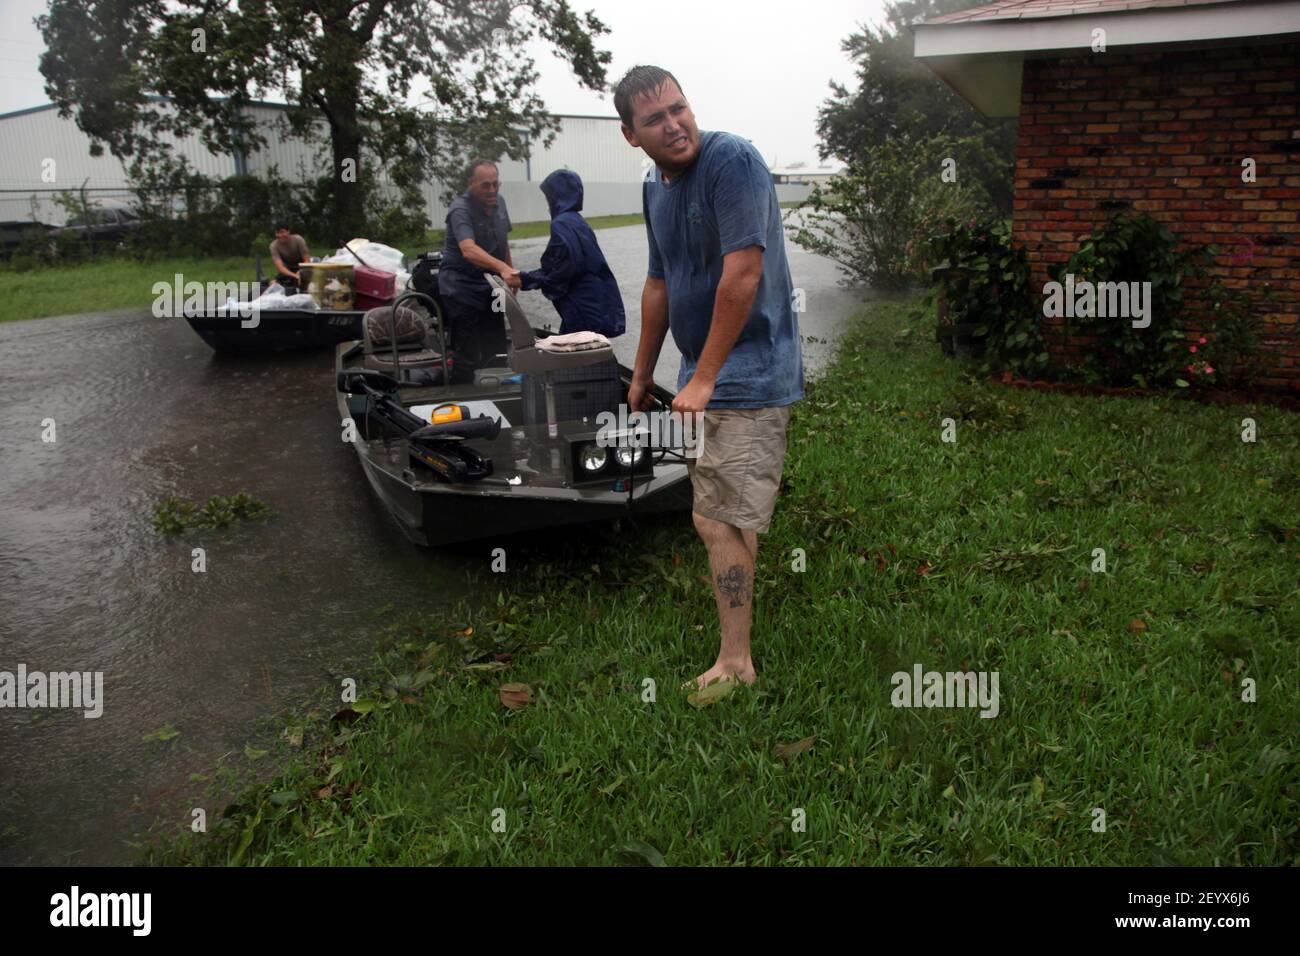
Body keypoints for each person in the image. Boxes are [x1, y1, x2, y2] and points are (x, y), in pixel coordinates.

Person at [617, 65, 804, 691]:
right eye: (655, 118)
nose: (674, 124)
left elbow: (743, 274)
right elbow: (658, 283)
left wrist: (705, 378)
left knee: (714, 518)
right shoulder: (654, 189)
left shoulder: (733, 161)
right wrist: (643, 373)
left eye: (679, 107)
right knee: (728, 511)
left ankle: (735, 663)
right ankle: (737, 647)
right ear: (630, 134)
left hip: (748, 373)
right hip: (707, 375)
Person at [438, 159, 519, 382]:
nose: (492, 190)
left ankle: (497, 396)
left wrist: (510, 275)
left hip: (489, 287)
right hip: (460, 289)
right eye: (485, 185)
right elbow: (468, 249)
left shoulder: (499, 203)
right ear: (471, 183)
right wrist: (502, 268)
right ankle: (461, 401)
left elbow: (504, 243)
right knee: (468, 356)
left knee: (497, 351)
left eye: (495, 184)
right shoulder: (460, 209)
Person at [517, 169, 625, 337]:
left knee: (579, 355)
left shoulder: (562, 224)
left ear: (557, 195)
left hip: (582, 309)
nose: (547, 201)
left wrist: (525, 279)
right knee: (592, 353)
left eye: (549, 195)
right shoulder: (577, 221)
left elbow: (561, 269)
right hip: (597, 304)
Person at [269, 222, 309, 289]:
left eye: (282, 232)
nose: (280, 235)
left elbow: (307, 260)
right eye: (277, 233)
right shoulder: (273, 246)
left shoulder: (298, 240)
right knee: (272, 283)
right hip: (288, 270)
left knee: (303, 283)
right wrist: (295, 276)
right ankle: (248, 297)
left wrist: (300, 272)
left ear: (288, 232)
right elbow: (280, 268)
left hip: (303, 268)